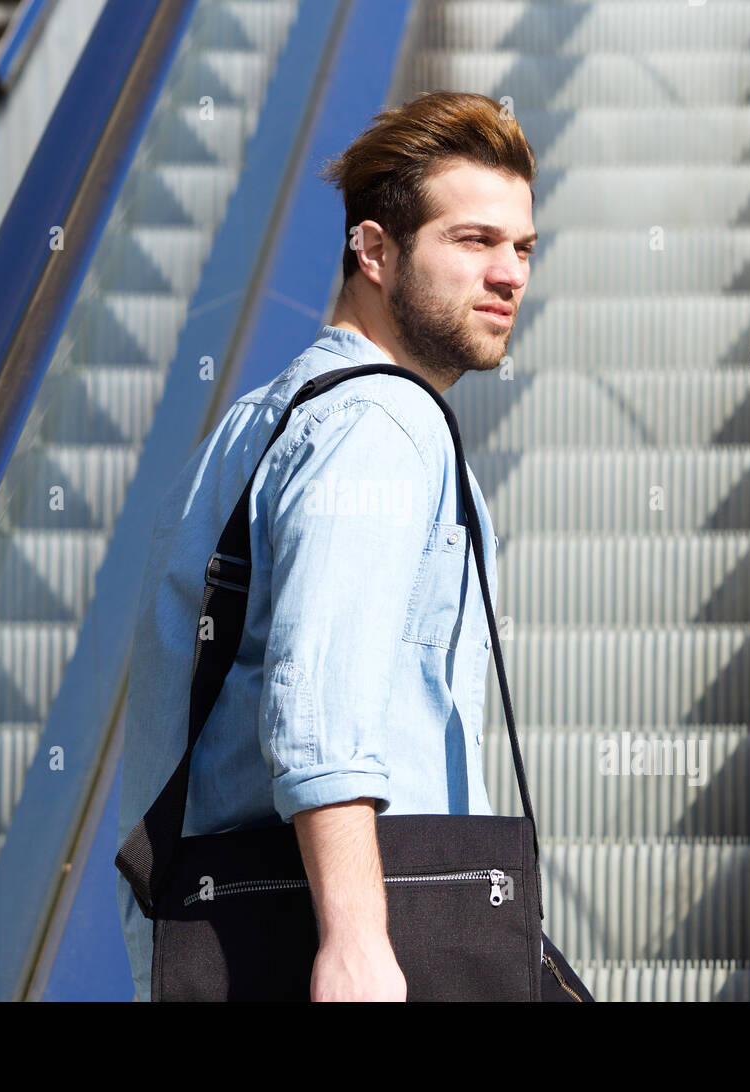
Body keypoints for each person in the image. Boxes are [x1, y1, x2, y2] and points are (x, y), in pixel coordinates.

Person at [117, 89, 591, 1001]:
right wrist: (356, 938)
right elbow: (319, 693)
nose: (510, 275)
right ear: (373, 251)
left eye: (522, 247)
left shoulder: (256, 425)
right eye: (472, 240)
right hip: (344, 946)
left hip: (228, 931)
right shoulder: (379, 420)